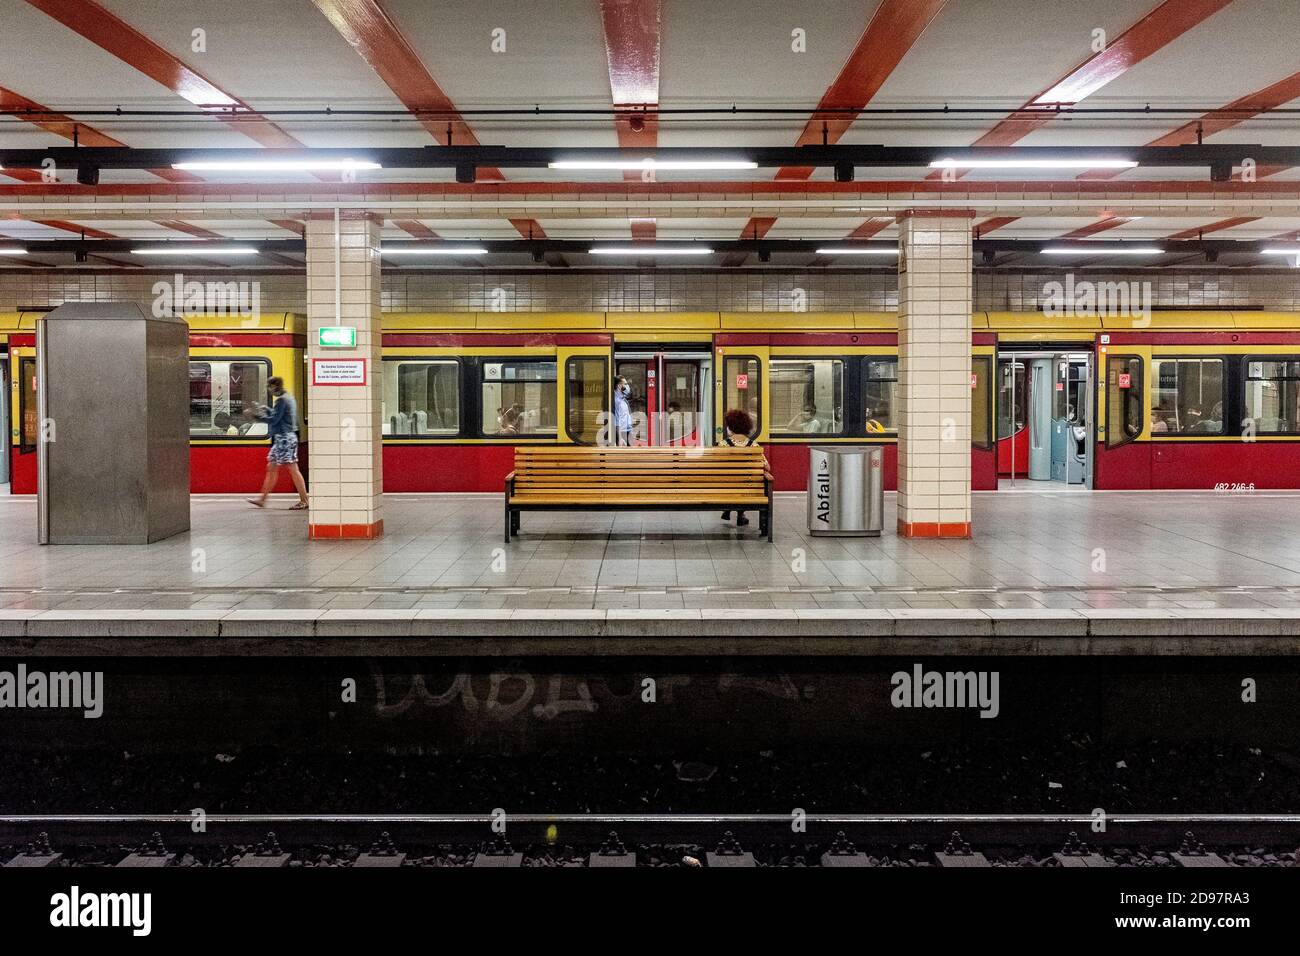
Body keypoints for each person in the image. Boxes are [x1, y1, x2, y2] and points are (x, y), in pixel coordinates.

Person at [246, 376, 309, 510]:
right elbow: (279, 415)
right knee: (272, 467)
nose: (269, 390)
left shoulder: (281, 400)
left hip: (284, 438)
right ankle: (262, 499)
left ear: (274, 386)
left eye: (269, 387)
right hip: (284, 437)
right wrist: (266, 409)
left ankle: (304, 500)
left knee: (293, 469)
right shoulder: (288, 397)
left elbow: (274, 420)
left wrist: (256, 417)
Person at [720, 407, 757, 527]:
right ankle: (740, 514)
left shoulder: (723, 445)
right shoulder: (754, 446)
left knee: (730, 482)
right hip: (747, 487)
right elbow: (767, 467)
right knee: (743, 483)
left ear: (730, 428)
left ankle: (729, 507)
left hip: (725, 487)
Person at [613, 376, 633, 446]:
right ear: (619, 386)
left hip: (627, 430)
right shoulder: (616, 401)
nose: (627, 386)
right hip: (622, 432)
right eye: (625, 384)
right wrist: (620, 438)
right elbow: (616, 421)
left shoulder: (623, 398)